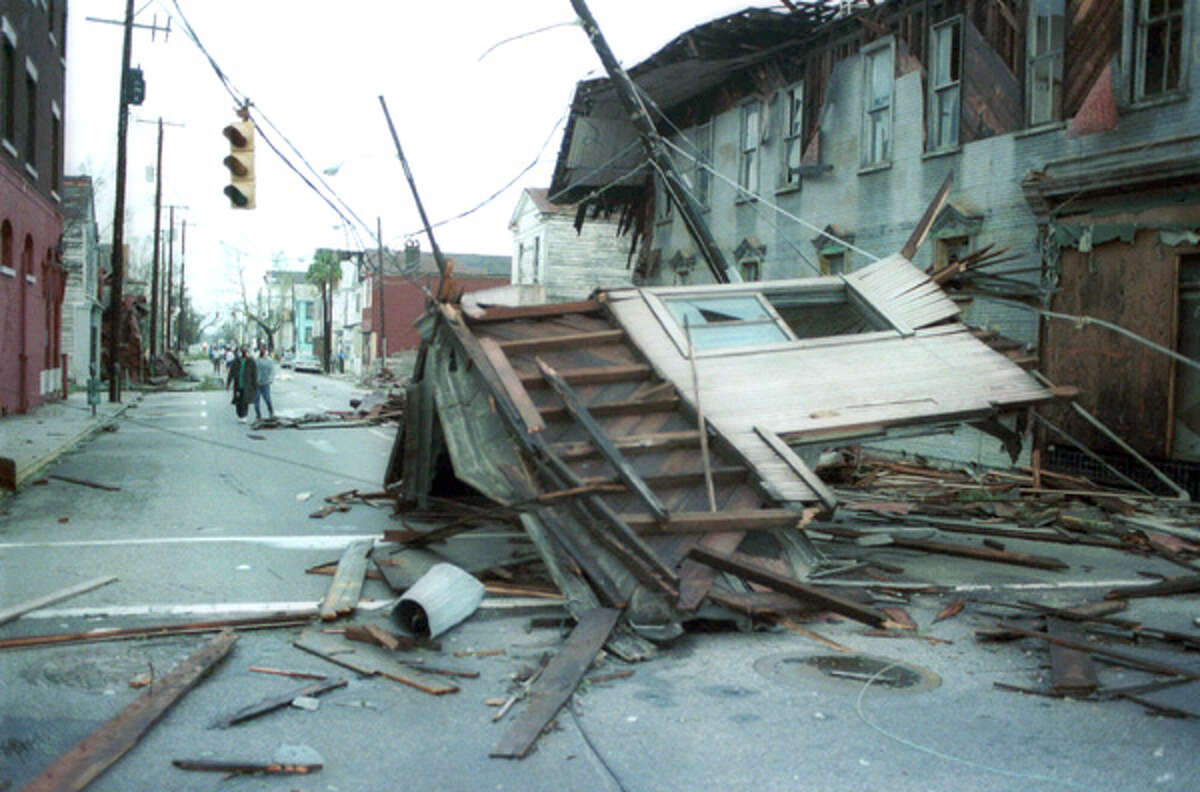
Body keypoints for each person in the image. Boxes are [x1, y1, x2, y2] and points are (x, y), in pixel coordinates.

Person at [225, 347, 257, 423]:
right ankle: (240, 415)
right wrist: (228, 384)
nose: (244, 353)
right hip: (238, 384)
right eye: (242, 351)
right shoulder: (236, 361)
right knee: (238, 401)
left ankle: (244, 415)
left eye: (245, 351)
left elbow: (254, 374)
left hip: (247, 385)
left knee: (245, 401)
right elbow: (231, 373)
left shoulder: (251, 361)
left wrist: (255, 385)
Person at [253, 346, 276, 421]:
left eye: (263, 349)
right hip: (257, 384)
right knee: (256, 401)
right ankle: (258, 415)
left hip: (265, 383)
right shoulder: (256, 360)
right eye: (260, 349)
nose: (261, 351)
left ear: (265, 350)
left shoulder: (269, 360)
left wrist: (271, 379)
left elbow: (272, 370)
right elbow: (252, 371)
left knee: (267, 399)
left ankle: (271, 412)